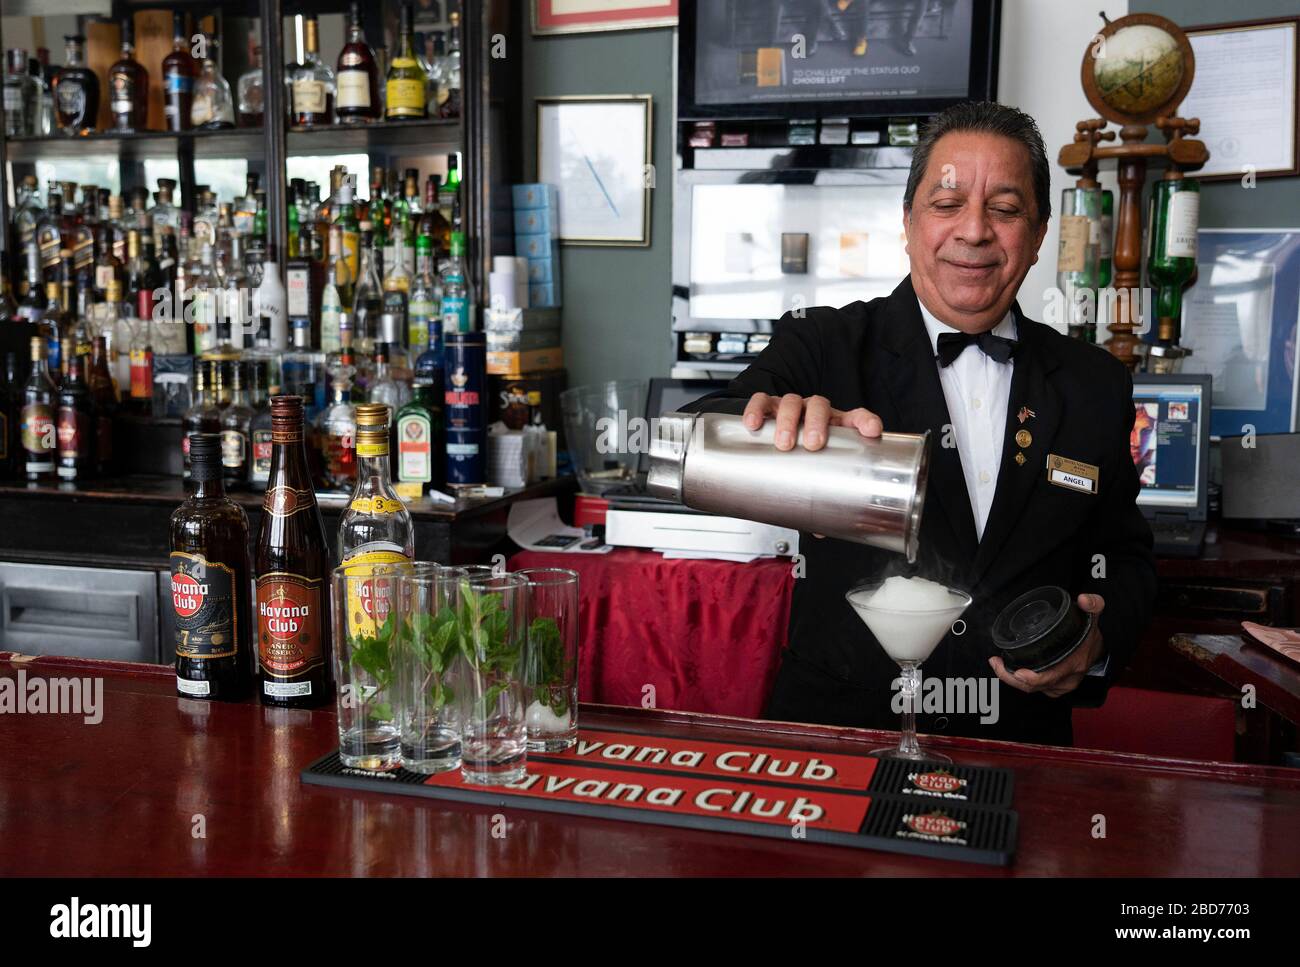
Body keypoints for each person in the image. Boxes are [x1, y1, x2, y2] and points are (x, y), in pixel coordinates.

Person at [684, 101, 1156, 745]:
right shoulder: (824, 343)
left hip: (1017, 744)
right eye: (946, 204)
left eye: (1006, 209)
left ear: (1040, 233)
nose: (974, 231)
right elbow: (685, 441)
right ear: (907, 221)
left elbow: (1125, 558)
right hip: (839, 738)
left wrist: (1096, 648)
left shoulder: (1094, 382)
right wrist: (770, 427)